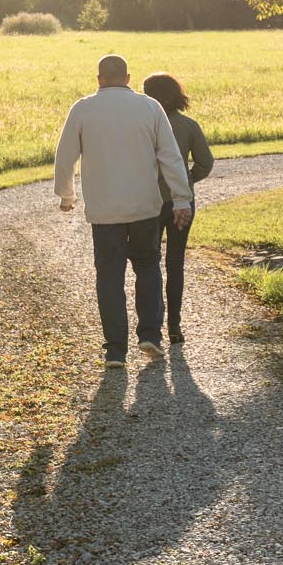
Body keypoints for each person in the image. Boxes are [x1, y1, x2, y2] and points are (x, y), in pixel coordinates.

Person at [53, 54, 193, 367]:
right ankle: (150, 335)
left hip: (104, 210)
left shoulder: (83, 109)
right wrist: (181, 198)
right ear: (128, 78)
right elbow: (170, 157)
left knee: (109, 275)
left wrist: (66, 194)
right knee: (147, 266)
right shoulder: (149, 107)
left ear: (99, 78)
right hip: (144, 205)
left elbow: (65, 156)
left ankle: (115, 350)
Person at [141, 72, 214, 343]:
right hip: (182, 202)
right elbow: (206, 162)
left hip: (150, 202)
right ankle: (175, 325)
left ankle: (153, 324)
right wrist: (187, 179)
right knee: (176, 262)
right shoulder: (188, 125)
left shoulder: (143, 125)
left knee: (150, 263)